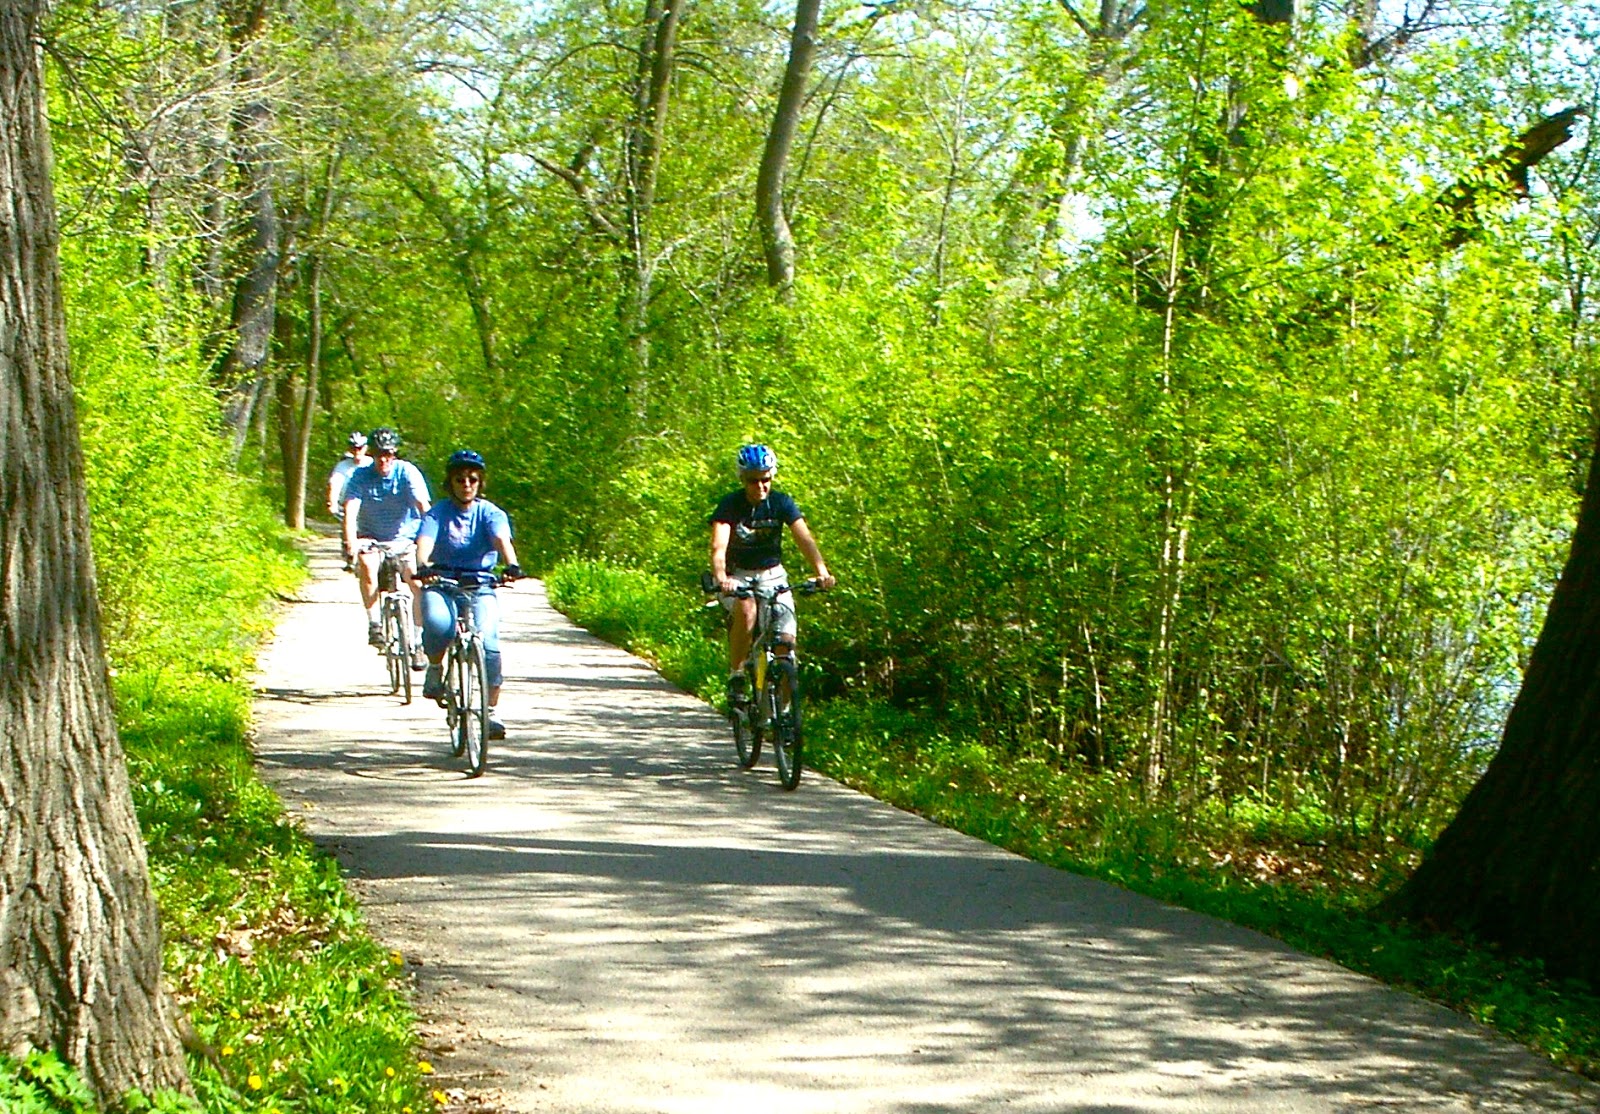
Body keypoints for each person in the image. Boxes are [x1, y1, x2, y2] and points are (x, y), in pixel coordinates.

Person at [709, 444, 835, 705]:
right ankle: (737, 675)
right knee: (746, 608)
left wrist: (822, 573)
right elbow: (718, 546)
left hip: (773, 575)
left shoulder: (781, 503)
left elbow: (805, 539)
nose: (760, 486)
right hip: (738, 575)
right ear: (743, 479)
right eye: (753, 481)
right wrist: (721, 578)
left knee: (785, 646)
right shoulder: (730, 505)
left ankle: (785, 714)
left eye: (765, 479)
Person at [415, 449, 522, 740]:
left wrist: (511, 564)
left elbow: (501, 538)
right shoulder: (438, 513)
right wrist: (423, 565)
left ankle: (491, 712)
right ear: (450, 483)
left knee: (489, 645)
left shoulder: (490, 513)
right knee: (439, 624)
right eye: (459, 479)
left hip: (480, 585)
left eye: (472, 479)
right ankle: (435, 668)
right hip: (442, 582)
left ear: (480, 483)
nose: (466, 484)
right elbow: (425, 540)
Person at [341, 427, 431, 657]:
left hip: (406, 538)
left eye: (388, 454)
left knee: (418, 583)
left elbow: (423, 506)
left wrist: (433, 539)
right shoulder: (360, 476)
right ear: (372, 454)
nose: (384, 460)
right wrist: (350, 543)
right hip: (372, 537)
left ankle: (419, 640)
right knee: (367, 566)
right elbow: (350, 510)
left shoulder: (407, 472)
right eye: (379, 454)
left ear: (395, 454)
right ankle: (375, 624)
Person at [325, 431, 371, 518]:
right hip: (347, 508)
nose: (357, 451)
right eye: (354, 448)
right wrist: (333, 503)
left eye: (360, 448)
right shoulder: (342, 466)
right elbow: (335, 484)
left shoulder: (372, 464)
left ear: (366, 448)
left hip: (369, 509)